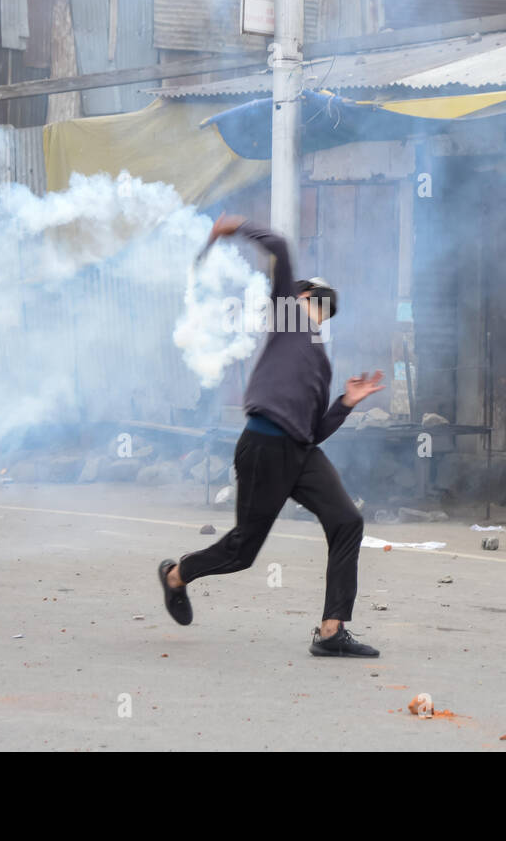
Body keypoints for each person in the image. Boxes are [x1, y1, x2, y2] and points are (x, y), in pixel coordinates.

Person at [158, 213, 386, 657]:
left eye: (325, 307)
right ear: (299, 296)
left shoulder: (321, 359)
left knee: (347, 522)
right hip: (264, 443)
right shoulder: (287, 320)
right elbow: (278, 245)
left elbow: (313, 431)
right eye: (315, 299)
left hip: (299, 452)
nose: (320, 310)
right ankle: (176, 575)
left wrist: (345, 403)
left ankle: (331, 631)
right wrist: (238, 227)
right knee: (242, 551)